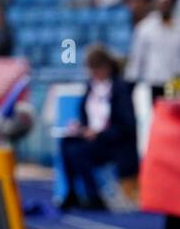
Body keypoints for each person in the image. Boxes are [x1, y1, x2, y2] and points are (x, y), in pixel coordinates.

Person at [58, 46, 138, 211]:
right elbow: (85, 114)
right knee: (66, 143)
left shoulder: (120, 88)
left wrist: (100, 133)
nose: (93, 74)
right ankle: (72, 192)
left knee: (78, 151)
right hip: (92, 138)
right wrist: (80, 127)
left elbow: (126, 125)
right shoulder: (91, 86)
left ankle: (94, 195)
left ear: (105, 67)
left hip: (114, 142)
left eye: (95, 69)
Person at [126, 0, 180, 102]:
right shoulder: (145, 28)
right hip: (155, 80)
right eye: (161, 3)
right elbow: (138, 55)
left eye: (167, 3)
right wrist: (133, 79)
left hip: (176, 80)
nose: (164, 6)